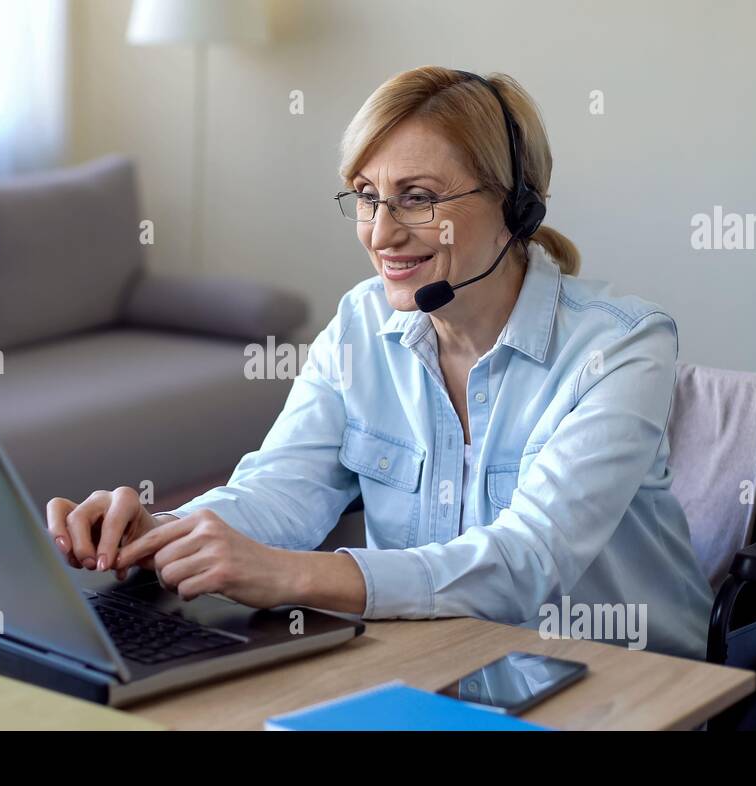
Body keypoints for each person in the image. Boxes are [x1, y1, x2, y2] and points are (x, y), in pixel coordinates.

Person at [47, 66, 713, 659]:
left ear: (516, 205)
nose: (380, 232)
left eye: (417, 197)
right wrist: (164, 533)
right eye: (366, 195)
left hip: (622, 677)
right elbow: (282, 486)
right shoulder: (363, 324)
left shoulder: (622, 346)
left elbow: (526, 561)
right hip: (439, 656)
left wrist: (292, 574)